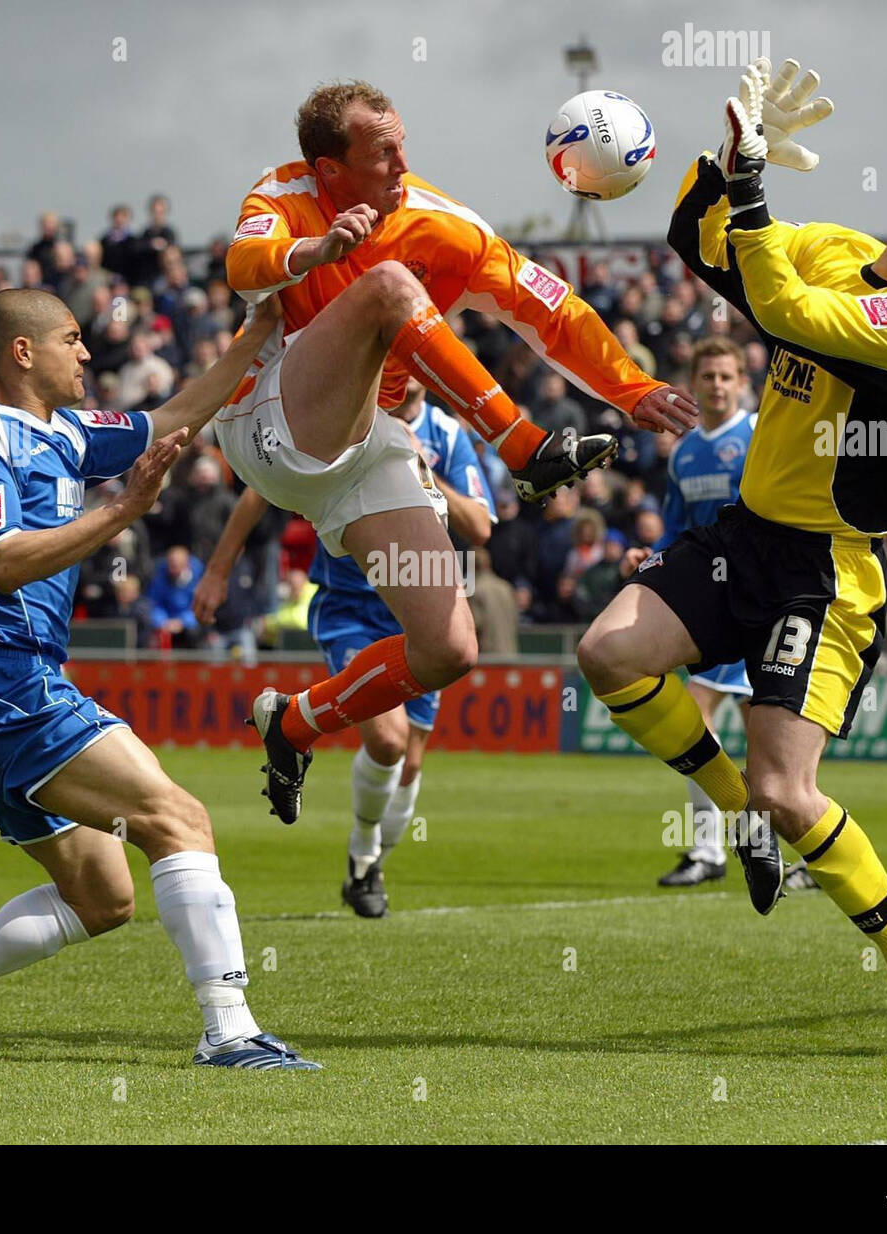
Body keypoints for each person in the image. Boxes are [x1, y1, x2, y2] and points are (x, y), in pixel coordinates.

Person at [576, 58, 887, 1060]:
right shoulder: (839, 248)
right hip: (746, 537)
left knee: (788, 789)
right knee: (607, 653)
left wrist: (758, 186)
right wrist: (728, 160)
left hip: (826, 571)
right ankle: (740, 819)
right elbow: (705, 248)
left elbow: (785, 314)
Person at [0, 289, 321, 1070]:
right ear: (23, 352)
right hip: (5, 681)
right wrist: (125, 509)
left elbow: (173, 417)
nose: (87, 352)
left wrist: (258, 331)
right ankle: (230, 1032)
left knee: (102, 899)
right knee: (177, 818)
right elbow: (1, 562)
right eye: (71, 339)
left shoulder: (63, 430)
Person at [216, 80, 697, 825]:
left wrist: (632, 388)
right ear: (329, 168)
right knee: (388, 285)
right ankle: (523, 446)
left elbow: (550, 309)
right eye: (383, 152)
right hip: (270, 420)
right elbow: (243, 263)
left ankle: (293, 723)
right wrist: (316, 249)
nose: (403, 163)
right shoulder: (283, 195)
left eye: (403, 144)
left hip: (366, 445)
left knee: (447, 649)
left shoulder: (442, 226)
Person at [197, 379, 495, 917]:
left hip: (421, 609)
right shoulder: (346, 407)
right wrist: (218, 571)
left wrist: (419, 466)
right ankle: (357, 840)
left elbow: (478, 526)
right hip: (351, 607)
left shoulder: (446, 434)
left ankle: (366, 861)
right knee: (387, 740)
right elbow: (261, 490)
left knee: (408, 763)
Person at [643, 338, 756, 888]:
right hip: (712, 606)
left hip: (761, 601)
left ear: (742, 382)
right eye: (708, 376)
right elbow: (674, 527)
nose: (716, 385)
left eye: (726, 376)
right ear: (693, 383)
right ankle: (711, 849)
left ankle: (771, 848)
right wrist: (650, 559)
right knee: (697, 714)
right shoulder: (684, 453)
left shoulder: (759, 434)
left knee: (771, 742)